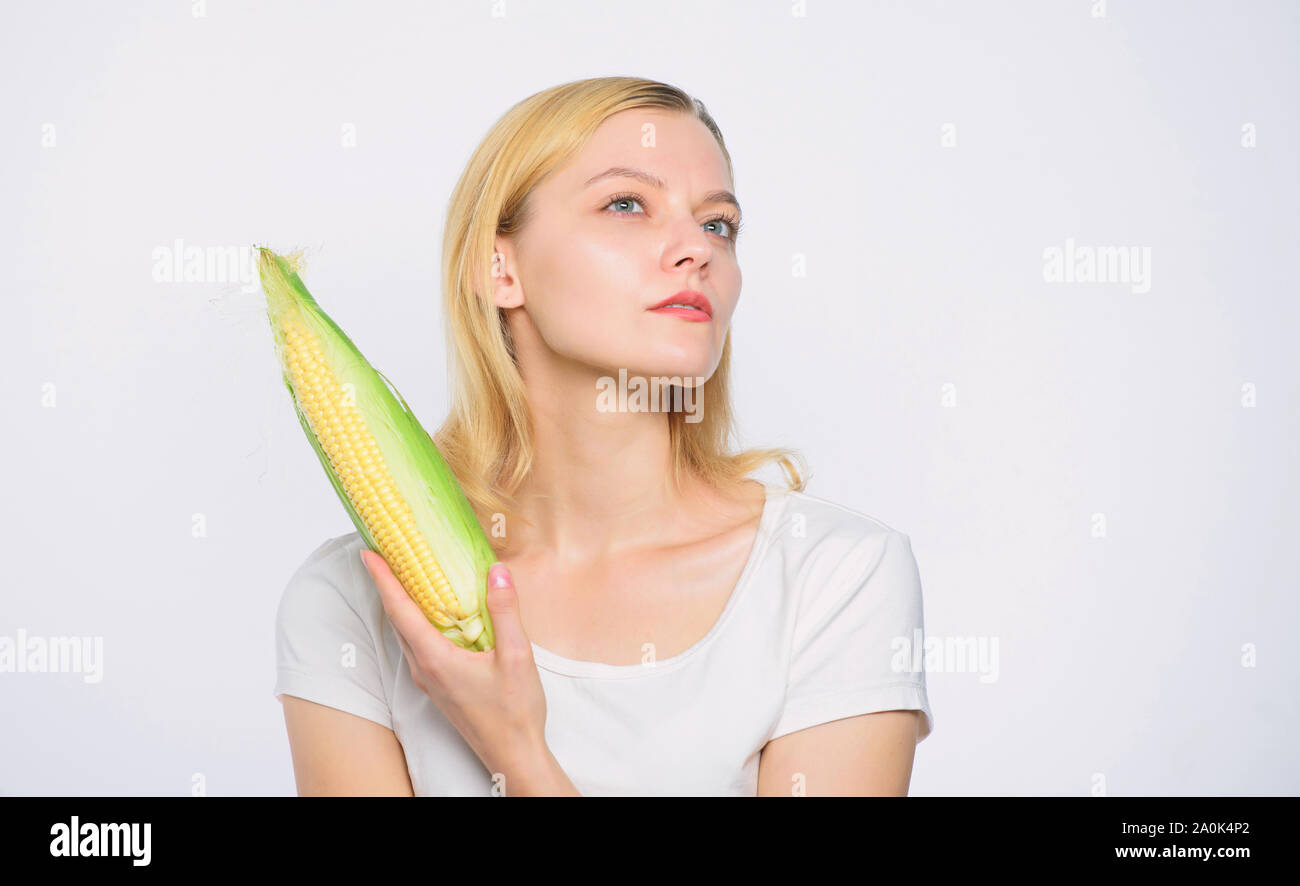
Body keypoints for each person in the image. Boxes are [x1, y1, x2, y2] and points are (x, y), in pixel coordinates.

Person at [273, 76, 934, 796]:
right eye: (627, 205)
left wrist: (512, 747)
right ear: (500, 269)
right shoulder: (353, 598)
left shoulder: (833, 580)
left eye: (718, 224)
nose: (696, 250)